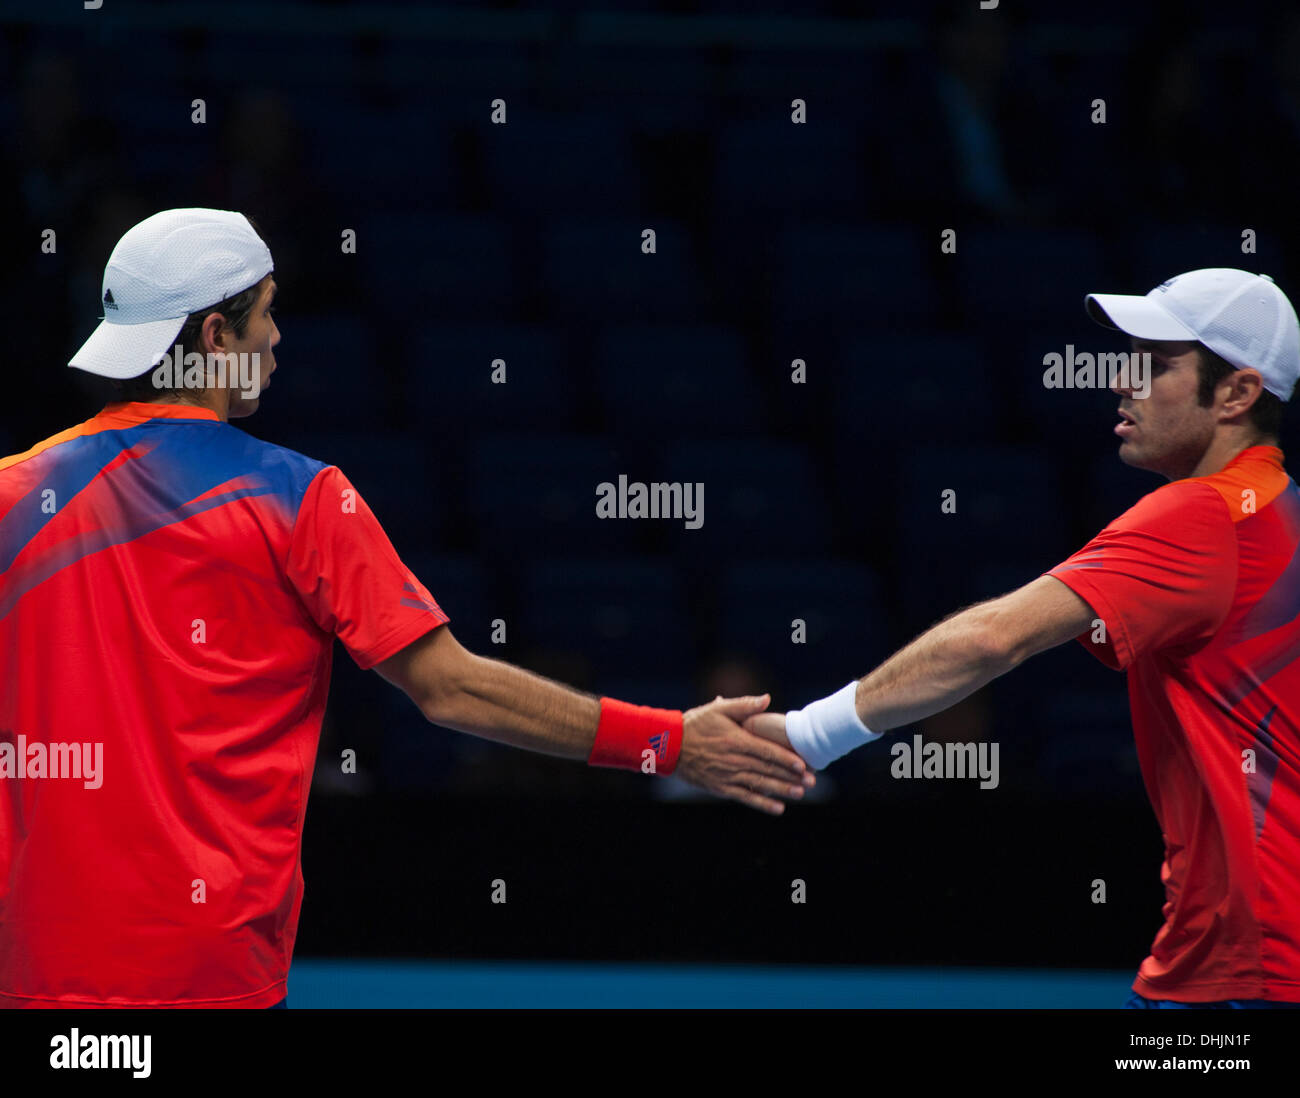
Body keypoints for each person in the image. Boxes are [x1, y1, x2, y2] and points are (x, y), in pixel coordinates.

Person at [0, 208, 812, 1009]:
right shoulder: (301, 499)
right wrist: (670, 744)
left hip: (32, 973)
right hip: (203, 978)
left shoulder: (15, 494)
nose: (278, 338)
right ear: (216, 337)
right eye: (268, 311)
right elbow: (452, 688)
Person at [749, 268, 1300, 1008]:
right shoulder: (1279, 511)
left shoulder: (1203, 515)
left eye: (1159, 364)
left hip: (1248, 961)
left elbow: (988, 641)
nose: (1123, 381)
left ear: (1236, 394)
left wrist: (804, 736)